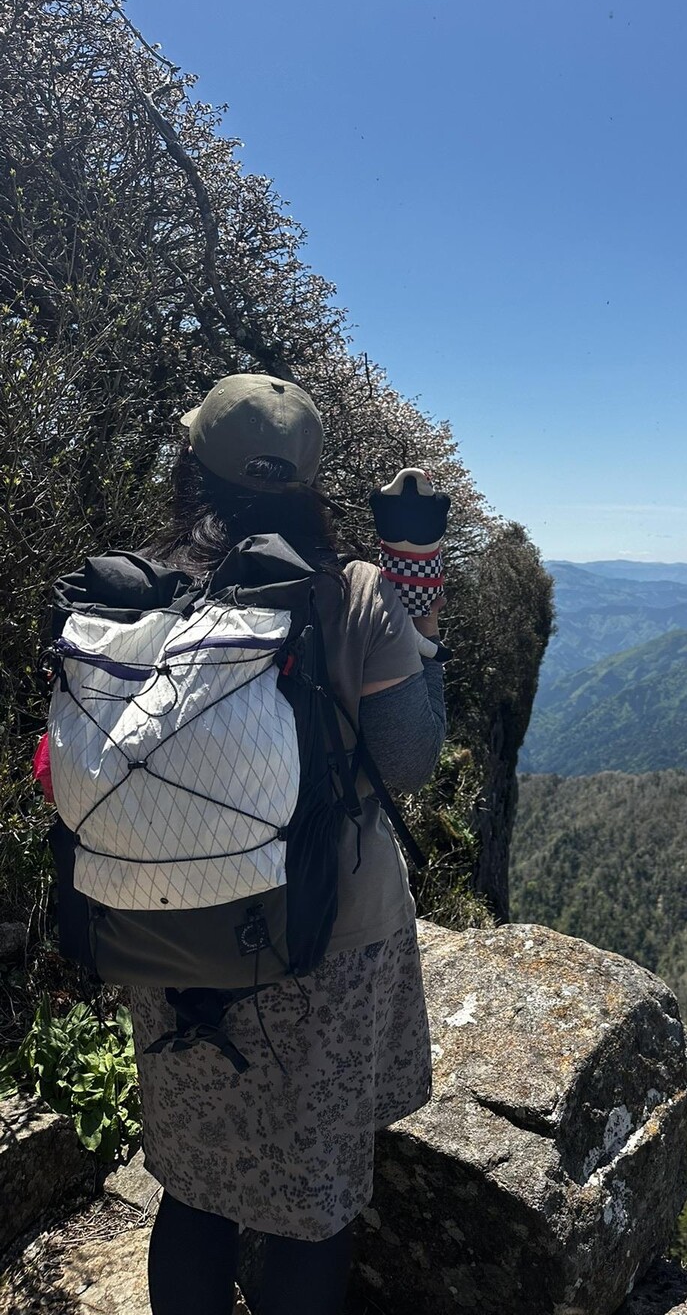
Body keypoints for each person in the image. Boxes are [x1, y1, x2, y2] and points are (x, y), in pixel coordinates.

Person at [127, 374, 445, 1315]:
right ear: (307, 483)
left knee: (193, 1185)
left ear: (192, 463)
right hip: (325, 940)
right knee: (312, 1203)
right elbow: (409, 759)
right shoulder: (351, 594)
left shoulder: (136, 588)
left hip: (165, 925)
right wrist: (419, 619)